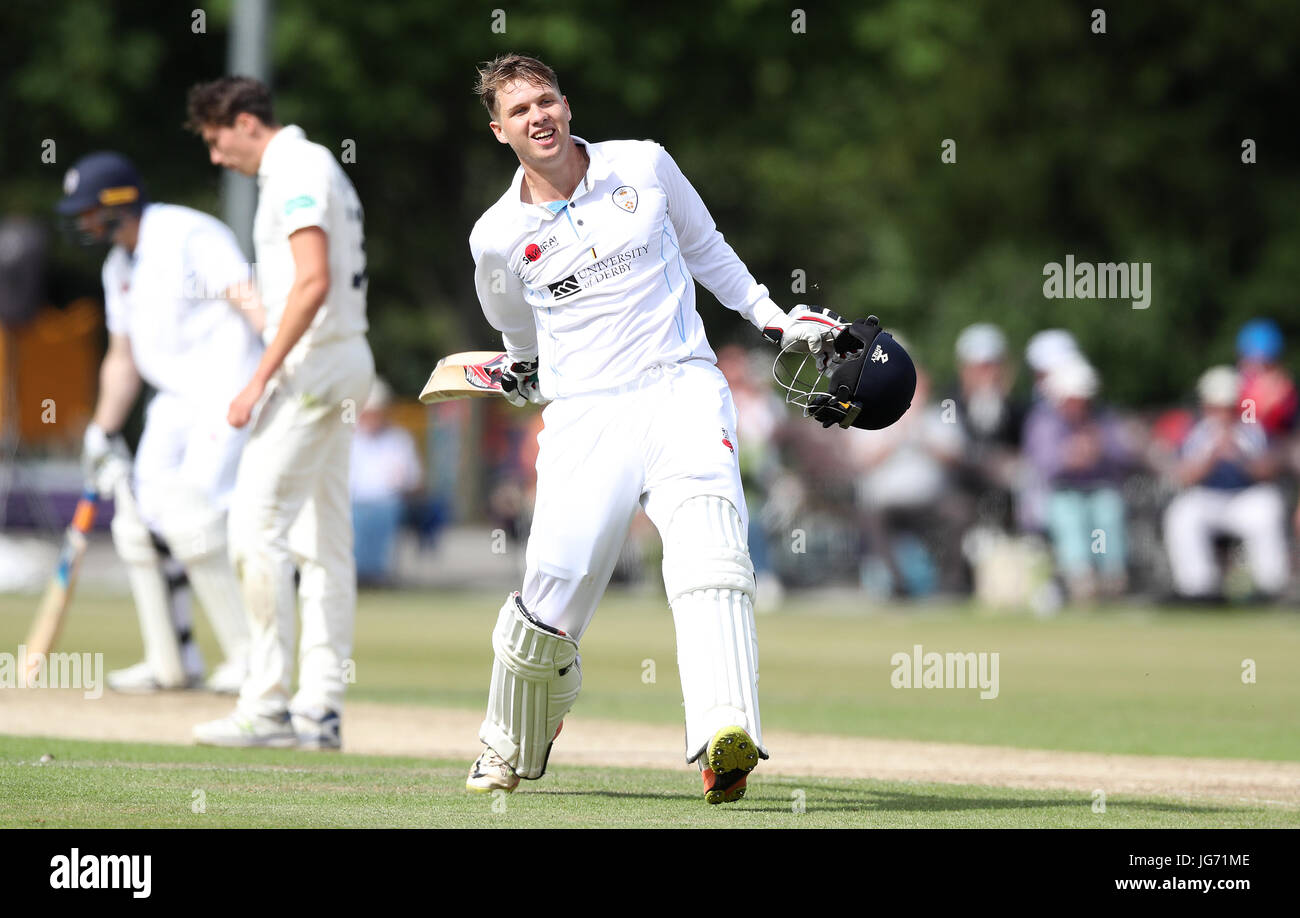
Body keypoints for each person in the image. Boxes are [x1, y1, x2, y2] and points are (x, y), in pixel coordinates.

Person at [463, 53, 838, 804]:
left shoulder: (643, 164)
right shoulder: (496, 236)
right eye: (520, 110)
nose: (539, 117)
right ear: (500, 131)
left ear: (566, 104)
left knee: (712, 552)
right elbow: (515, 329)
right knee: (555, 588)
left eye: (546, 100)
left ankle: (725, 735)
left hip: (681, 386)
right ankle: (509, 740)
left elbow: (707, 249)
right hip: (585, 412)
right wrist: (524, 367)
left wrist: (770, 317)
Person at [185, 77, 375, 749]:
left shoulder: (295, 166)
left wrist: (257, 379)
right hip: (341, 357)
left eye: (217, 141)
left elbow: (313, 280)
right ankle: (318, 710)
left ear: (245, 123)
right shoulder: (311, 165)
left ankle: (266, 703)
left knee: (253, 526)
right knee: (323, 542)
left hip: (314, 366)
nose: (217, 157)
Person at [55, 151, 258, 694]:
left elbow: (250, 301)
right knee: (136, 523)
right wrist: (102, 431)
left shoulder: (188, 234)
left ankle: (251, 661)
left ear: (119, 204)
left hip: (228, 387)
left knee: (192, 517)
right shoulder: (118, 267)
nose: (84, 223)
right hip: (172, 402)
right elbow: (122, 359)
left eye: (90, 211)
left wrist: (278, 371)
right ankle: (171, 661)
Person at [1165, 366, 1289, 601]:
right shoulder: (1195, 433)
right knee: (1182, 512)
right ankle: (1198, 587)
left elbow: (1268, 472)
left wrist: (1239, 457)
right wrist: (1211, 457)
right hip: (1207, 498)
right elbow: (1184, 477)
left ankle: (1271, 586)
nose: (1223, 413)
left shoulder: (1253, 430)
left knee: (1268, 506)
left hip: (1245, 498)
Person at [1021, 359, 1132, 601]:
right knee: (1070, 515)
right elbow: (1041, 464)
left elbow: (1124, 455)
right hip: (1057, 492)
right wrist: (1069, 457)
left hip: (1099, 490)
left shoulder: (1104, 419)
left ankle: (1111, 574)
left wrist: (1100, 450)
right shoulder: (1043, 421)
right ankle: (1080, 576)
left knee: (1107, 511)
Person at [349, 378, 422, 585]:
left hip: (389, 503)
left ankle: (375, 573)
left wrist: (402, 483)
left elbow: (414, 480)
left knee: (384, 512)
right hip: (352, 502)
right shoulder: (348, 439)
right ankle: (358, 572)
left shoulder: (399, 439)